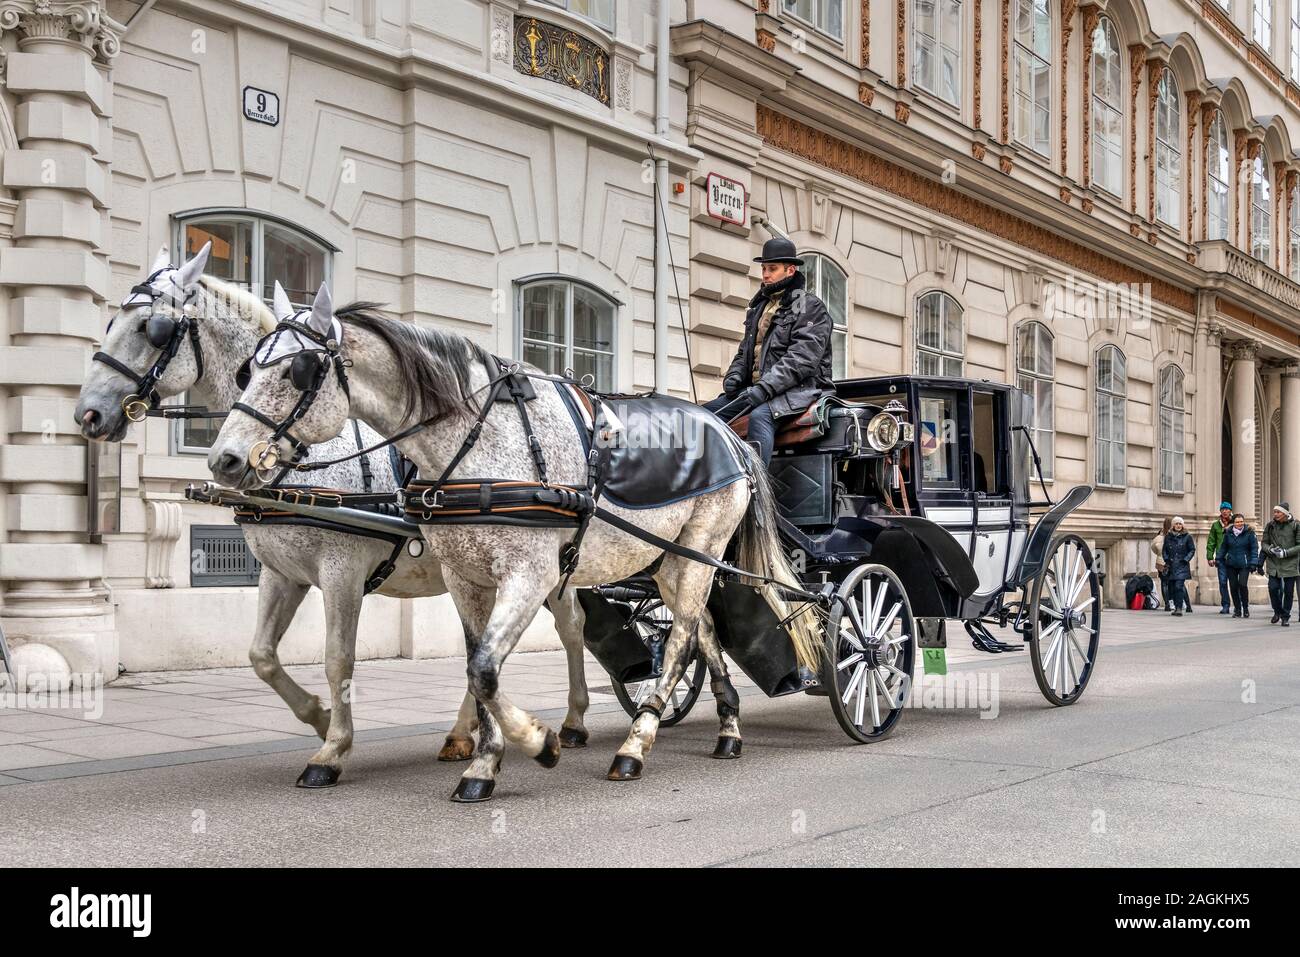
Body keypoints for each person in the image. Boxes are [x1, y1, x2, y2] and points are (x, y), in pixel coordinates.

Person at [704, 237, 834, 464]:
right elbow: (745, 351)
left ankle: (756, 488)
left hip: (800, 391)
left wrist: (765, 388)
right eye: (764, 268)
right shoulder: (760, 307)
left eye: (772, 269)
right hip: (758, 390)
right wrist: (734, 376)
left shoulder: (809, 306)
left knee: (760, 417)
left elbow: (801, 360)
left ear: (790, 270)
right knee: (702, 416)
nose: (765, 275)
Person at [1260, 502, 1300, 626]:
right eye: (1275, 512)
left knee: (1288, 592)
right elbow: (1264, 543)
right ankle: (1278, 611)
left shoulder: (1296, 525)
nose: (1275, 514)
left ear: (1285, 513)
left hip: (1290, 563)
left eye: (1278, 512)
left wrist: (1286, 553)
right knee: (1273, 589)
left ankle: (1285, 617)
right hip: (1274, 563)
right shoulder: (1270, 525)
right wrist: (1270, 550)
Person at [1216, 512, 1259, 619]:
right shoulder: (1228, 533)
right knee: (1233, 587)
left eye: (1241, 522)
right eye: (1237, 522)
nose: (1239, 524)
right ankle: (1237, 609)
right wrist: (1218, 558)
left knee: (1242, 585)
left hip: (1244, 564)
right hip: (1231, 564)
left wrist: (1254, 562)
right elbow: (1223, 548)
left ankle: (1245, 608)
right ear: (1233, 523)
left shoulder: (1249, 533)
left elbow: (1254, 549)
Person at [1161, 517, 1195, 616]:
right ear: (1173, 525)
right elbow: (1164, 550)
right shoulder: (1168, 536)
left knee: (1178, 586)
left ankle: (1179, 608)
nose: (1178, 526)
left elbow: (1192, 550)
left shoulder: (1187, 537)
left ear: (1183, 525)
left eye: (1180, 524)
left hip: (1182, 565)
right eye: (1176, 524)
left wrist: (1186, 559)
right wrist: (1166, 559)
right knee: (1172, 587)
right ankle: (1176, 607)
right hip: (1171, 565)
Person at [1206, 501, 1234, 614]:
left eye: (1227, 509)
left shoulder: (1236, 523)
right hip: (1221, 559)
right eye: (1223, 509)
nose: (1225, 511)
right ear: (1220, 511)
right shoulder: (1216, 525)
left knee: (1234, 583)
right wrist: (1209, 556)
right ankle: (1226, 605)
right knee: (1222, 582)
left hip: (1234, 559)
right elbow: (1211, 542)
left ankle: (1238, 604)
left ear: (1230, 511)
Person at [1151, 517, 1172, 611]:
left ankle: (1167, 604)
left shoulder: (1158, 536)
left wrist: (1160, 554)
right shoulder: (1174, 535)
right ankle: (1173, 602)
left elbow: (1153, 548)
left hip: (1160, 563)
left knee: (1164, 583)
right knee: (1173, 583)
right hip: (1172, 563)